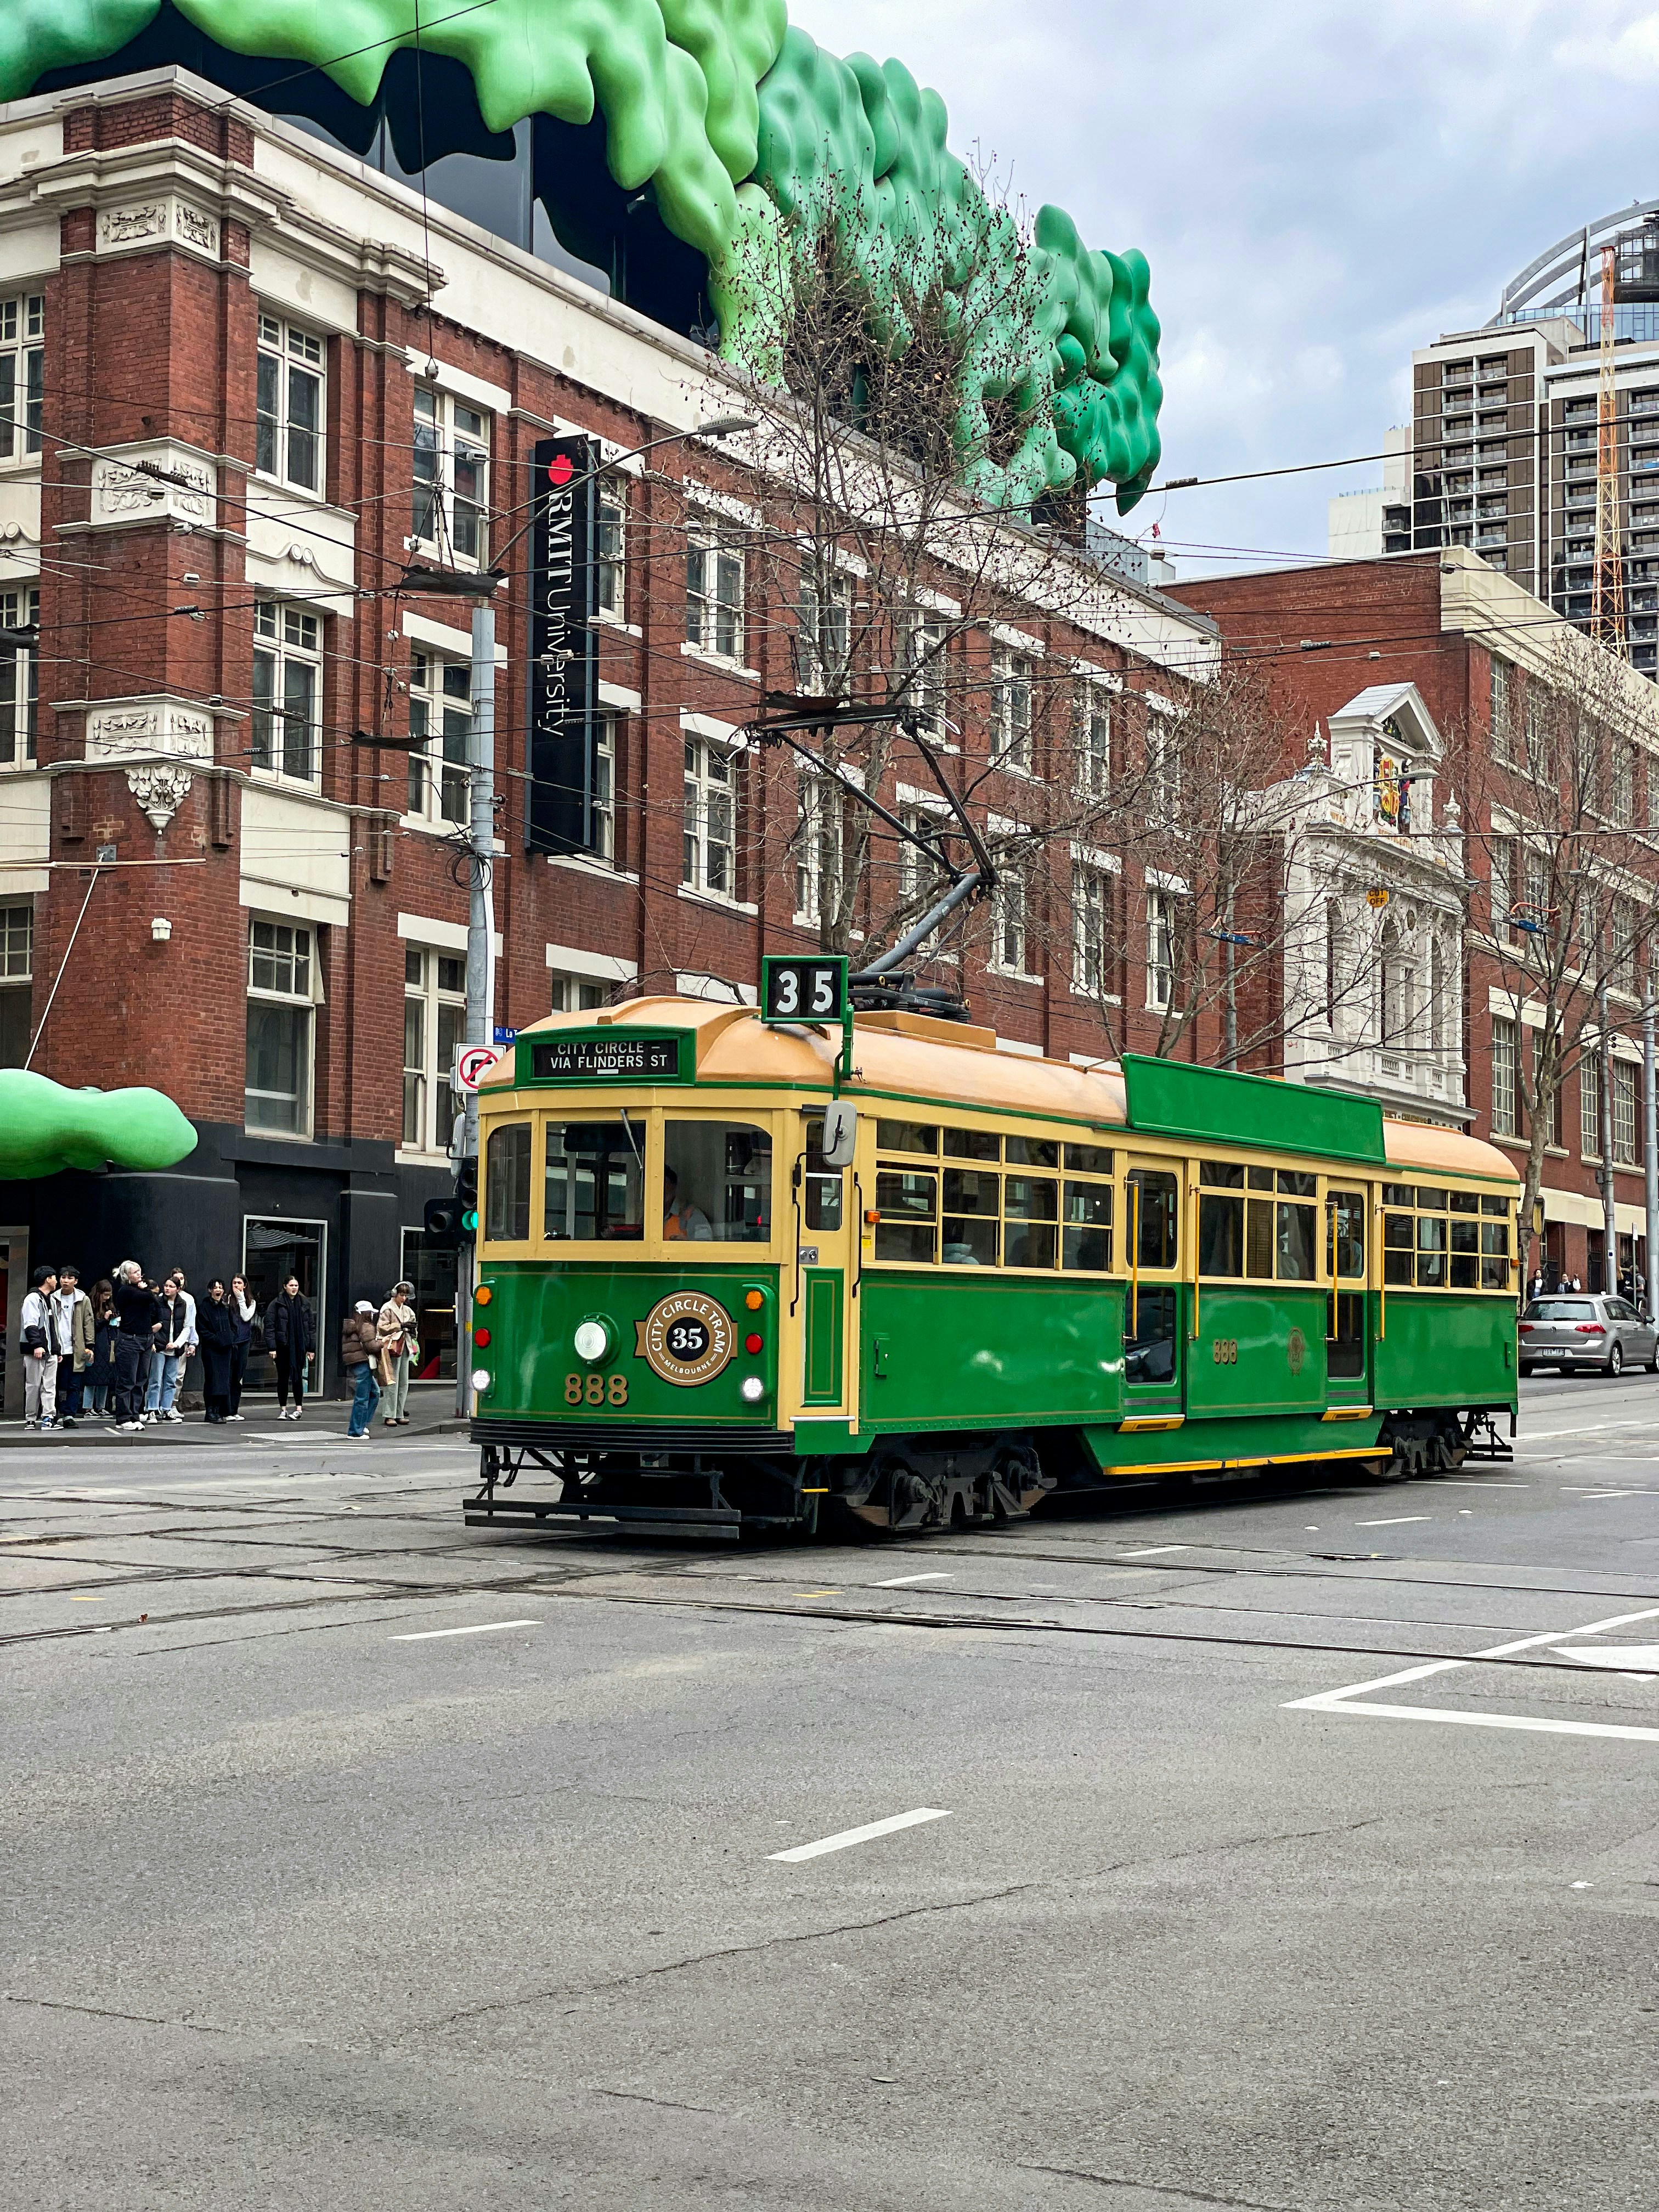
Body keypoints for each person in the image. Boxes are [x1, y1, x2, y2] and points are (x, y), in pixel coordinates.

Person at [110, 1262, 161, 1432]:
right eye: (134, 1272)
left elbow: (155, 1303)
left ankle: (134, 1415)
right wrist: (145, 1288)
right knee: (127, 1381)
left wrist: (144, 1288)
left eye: (139, 1270)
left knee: (141, 1380)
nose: (139, 1274)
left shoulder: (139, 1290)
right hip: (129, 1340)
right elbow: (150, 1297)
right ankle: (123, 1417)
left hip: (146, 1339)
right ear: (127, 1276)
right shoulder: (126, 1291)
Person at [49, 1266, 94, 1429]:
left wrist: (90, 1346)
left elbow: (88, 1322)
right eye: (63, 1277)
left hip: (76, 1348)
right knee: (52, 1383)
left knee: (74, 1384)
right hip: (56, 1348)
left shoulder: (83, 1299)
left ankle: (69, 1415)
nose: (65, 1280)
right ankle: (53, 1414)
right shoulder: (52, 1298)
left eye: (69, 1278)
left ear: (76, 1281)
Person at [144, 1277, 191, 1424]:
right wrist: (153, 1342)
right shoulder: (157, 1302)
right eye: (166, 1286)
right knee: (155, 1380)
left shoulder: (183, 1304)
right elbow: (151, 1323)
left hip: (174, 1348)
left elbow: (187, 1327)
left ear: (178, 1289)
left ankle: (166, 1409)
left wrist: (177, 1344)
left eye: (171, 1286)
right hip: (159, 1346)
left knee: (171, 1380)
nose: (167, 1289)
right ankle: (151, 1409)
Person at [267, 1274, 314, 1418]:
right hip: (283, 1347)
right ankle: (283, 1410)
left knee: (298, 1378)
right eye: (291, 1285)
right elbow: (270, 1326)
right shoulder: (276, 1304)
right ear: (285, 1287)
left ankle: (299, 1409)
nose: (294, 1288)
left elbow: (311, 1327)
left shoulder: (305, 1304)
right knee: (283, 1378)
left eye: (296, 1286)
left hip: (299, 1348)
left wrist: (311, 1348)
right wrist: (272, 1347)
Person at [341, 1300, 389, 1438]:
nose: (373, 1316)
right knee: (363, 1398)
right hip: (363, 1363)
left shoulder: (351, 1325)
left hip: (354, 1363)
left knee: (374, 1393)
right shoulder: (366, 1326)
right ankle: (355, 1431)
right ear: (366, 1314)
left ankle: (361, 1425)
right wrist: (382, 1343)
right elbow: (371, 1347)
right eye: (371, 1313)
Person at [19, 1264, 57, 1430]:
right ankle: (31, 1418)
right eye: (55, 1277)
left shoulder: (50, 1300)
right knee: (33, 1385)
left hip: (49, 1350)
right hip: (37, 1349)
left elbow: (53, 1327)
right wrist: (37, 1345)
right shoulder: (33, 1299)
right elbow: (30, 1325)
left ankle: (48, 1417)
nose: (57, 1281)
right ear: (48, 1279)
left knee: (50, 1385)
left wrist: (57, 1349)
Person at [377, 1282, 419, 1427]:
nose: (403, 1298)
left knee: (403, 1383)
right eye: (402, 1295)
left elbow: (414, 1327)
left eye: (405, 1295)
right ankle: (389, 1415)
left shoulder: (408, 1310)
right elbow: (381, 1328)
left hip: (405, 1346)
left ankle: (399, 1413)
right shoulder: (387, 1308)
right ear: (395, 1294)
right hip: (392, 1348)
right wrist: (400, 1326)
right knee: (392, 1382)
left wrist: (413, 1331)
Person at [197, 1280, 236, 1423]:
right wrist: (218, 1340)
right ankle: (211, 1411)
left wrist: (229, 1339)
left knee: (223, 1381)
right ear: (210, 1290)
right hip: (212, 1350)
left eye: (220, 1287)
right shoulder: (204, 1308)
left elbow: (234, 1326)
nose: (218, 1290)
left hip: (226, 1350)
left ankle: (220, 1410)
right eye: (215, 1288)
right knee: (213, 1380)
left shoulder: (226, 1308)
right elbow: (203, 1330)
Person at [226, 1275, 256, 1420]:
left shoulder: (251, 1302)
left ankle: (234, 1410)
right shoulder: (227, 1300)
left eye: (239, 1283)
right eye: (234, 1283)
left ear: (245, 1285)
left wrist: (241, 1299)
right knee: (229, 1375)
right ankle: (226, 1410)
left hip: (244, 1341)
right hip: (231, 1342)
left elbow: (246, 1317)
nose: (236, 1285)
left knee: (238, 1376)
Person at [85, 1279, 115, 1417]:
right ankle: (88, 1407)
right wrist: (104, 1318)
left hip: (108, 1343)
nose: (107, 1298)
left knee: (105, 1377)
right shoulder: (91, 1306)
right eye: (105, 1295)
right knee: (92, 1378)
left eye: (109, 1295)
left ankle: (101, 1406)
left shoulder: (109, 1305)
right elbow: (92, 1327)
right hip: (95, 1344)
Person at [663, 1165, 713, 1240]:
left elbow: (705, 1249)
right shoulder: (648, 1217)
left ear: (673, 1186)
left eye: (663, 1182)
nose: (659, 1188)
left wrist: (686, 1244)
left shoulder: (692, 1215)